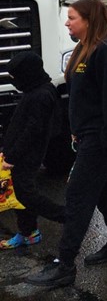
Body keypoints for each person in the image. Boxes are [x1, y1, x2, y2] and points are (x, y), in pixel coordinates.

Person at [27, 0, 107, 289]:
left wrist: (106, 143)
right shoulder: (82, 50)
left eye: (72, 18)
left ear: (89, 20)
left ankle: (64, 266)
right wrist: (76, 130)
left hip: (103, 136)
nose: (67, 22)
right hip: (89, 134)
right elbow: (83, 98)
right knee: (104, 189)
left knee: (77, 195)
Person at [0, 52, 66, 250]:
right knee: (18, 193)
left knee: (26, 195)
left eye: (15, 77)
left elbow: (32, 130)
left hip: (27, 154)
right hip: (16, 152)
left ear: (26, 74)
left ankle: (67, 217)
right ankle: (28, 232)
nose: (14, 81)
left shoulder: (41, 95)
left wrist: (12, 156)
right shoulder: (34, 90)